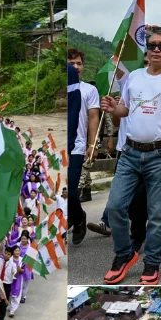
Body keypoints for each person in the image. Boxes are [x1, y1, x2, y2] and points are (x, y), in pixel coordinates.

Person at [99, 25, 161, 286]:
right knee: (116, 206)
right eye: (151, 45)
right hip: (130, 152)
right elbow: (125, 110)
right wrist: (112, 108)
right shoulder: (135, 76)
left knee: (157, 213)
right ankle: (124, 254)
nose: (154, 49)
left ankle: (152, 263)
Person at [66, 54, 100, 244]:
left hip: (77, 146)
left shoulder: (89, 90)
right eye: (72, 64)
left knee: (71, 190)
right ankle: (72, 214)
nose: (76, 67)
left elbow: (93, 117)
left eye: (79, 63)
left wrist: (92, 144)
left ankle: (79, 218)